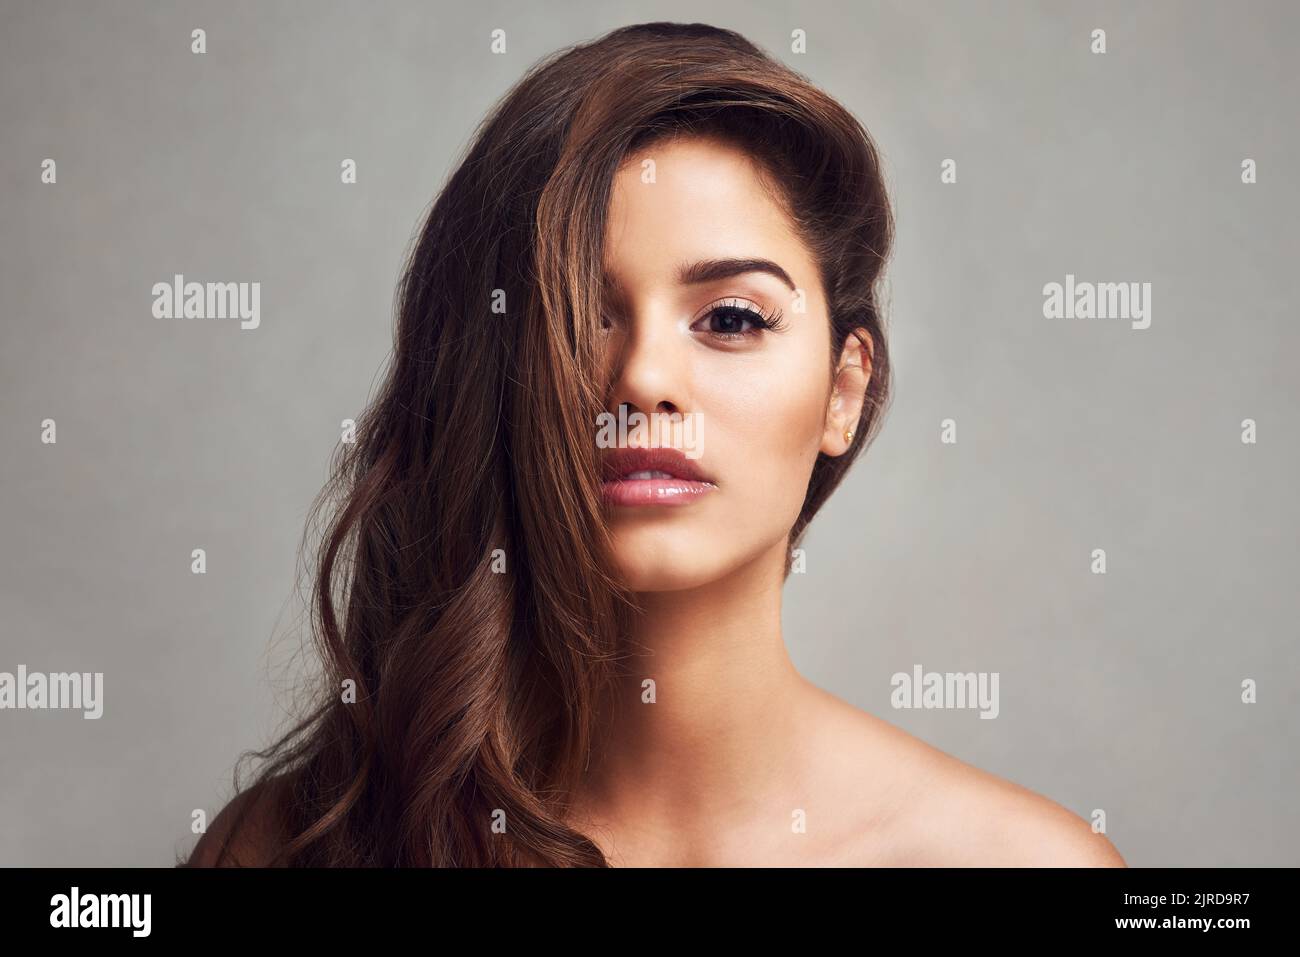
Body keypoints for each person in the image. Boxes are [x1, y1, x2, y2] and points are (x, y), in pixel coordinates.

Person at [185, 21, 1125, 868]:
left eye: (729, 316)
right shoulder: (289, 849)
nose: (641, 379)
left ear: (844, 390)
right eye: (574, 320)